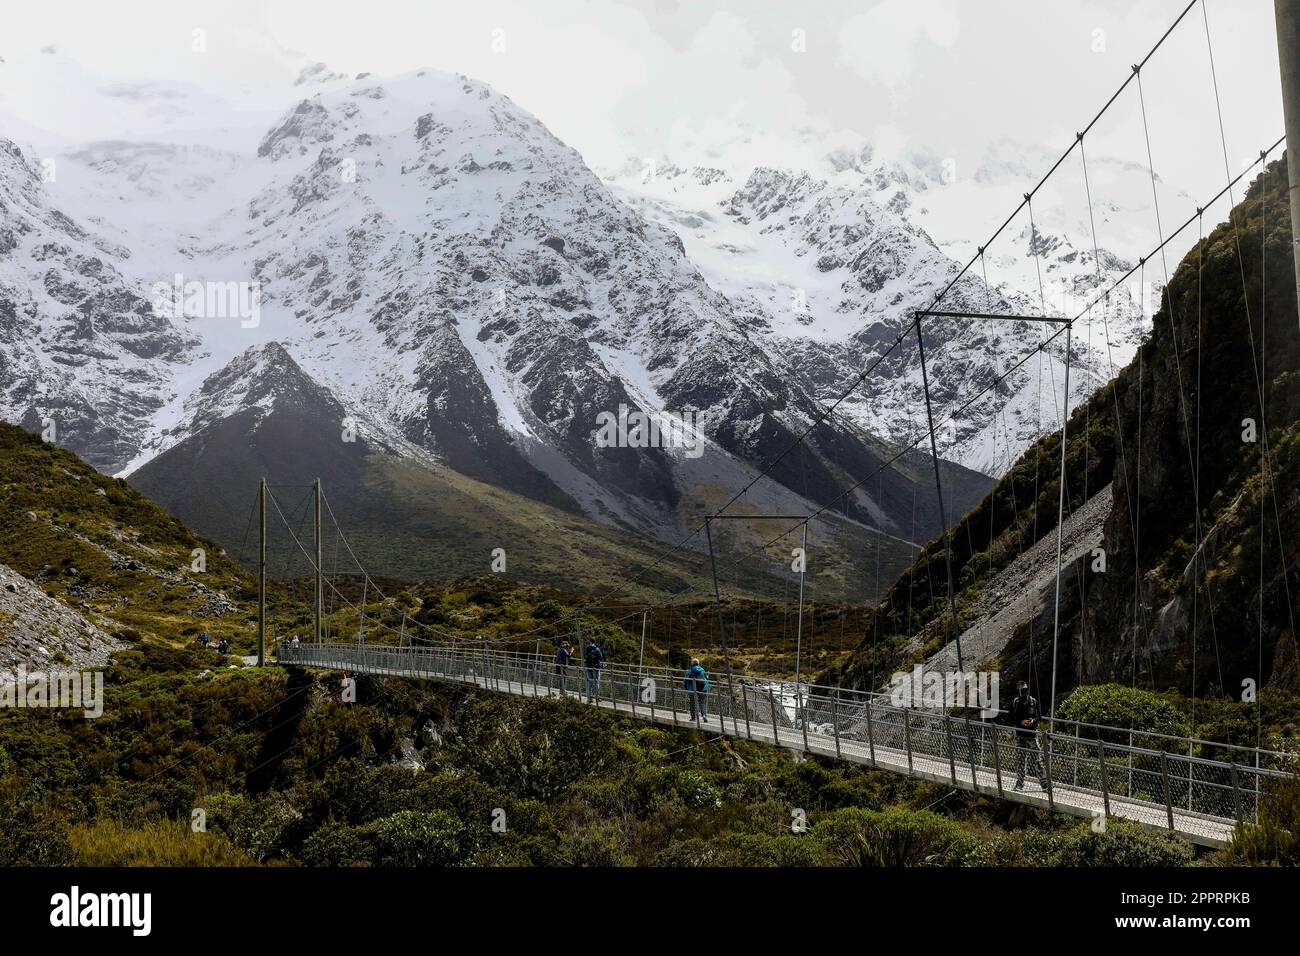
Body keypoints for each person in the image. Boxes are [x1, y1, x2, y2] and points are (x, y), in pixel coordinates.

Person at [1008, 679, 1047, 791]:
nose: (1023, 692)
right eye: (1021, 690)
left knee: (1038, 760)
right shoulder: (1014, 703)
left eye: (1025, 689)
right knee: (1020, 761)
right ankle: (1019, 784)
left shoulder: (1034, 702)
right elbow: (1010, 717)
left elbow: (1040, 717)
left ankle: (1044, 784)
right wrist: (1020, 721)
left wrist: (1033, 721)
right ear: (1018, 691)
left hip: (1032, 736)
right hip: (1020, 736)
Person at [683, 658, 710, 723]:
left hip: (693, 689)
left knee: (692, 703)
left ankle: (693, 718)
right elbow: (706, 678)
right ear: (698, 663)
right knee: (702, 702)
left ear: (692, 663)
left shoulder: (690, 670)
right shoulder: (702, 670)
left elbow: (685, 680)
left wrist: (686, 688)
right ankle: (704, 715)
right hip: (703, 688)